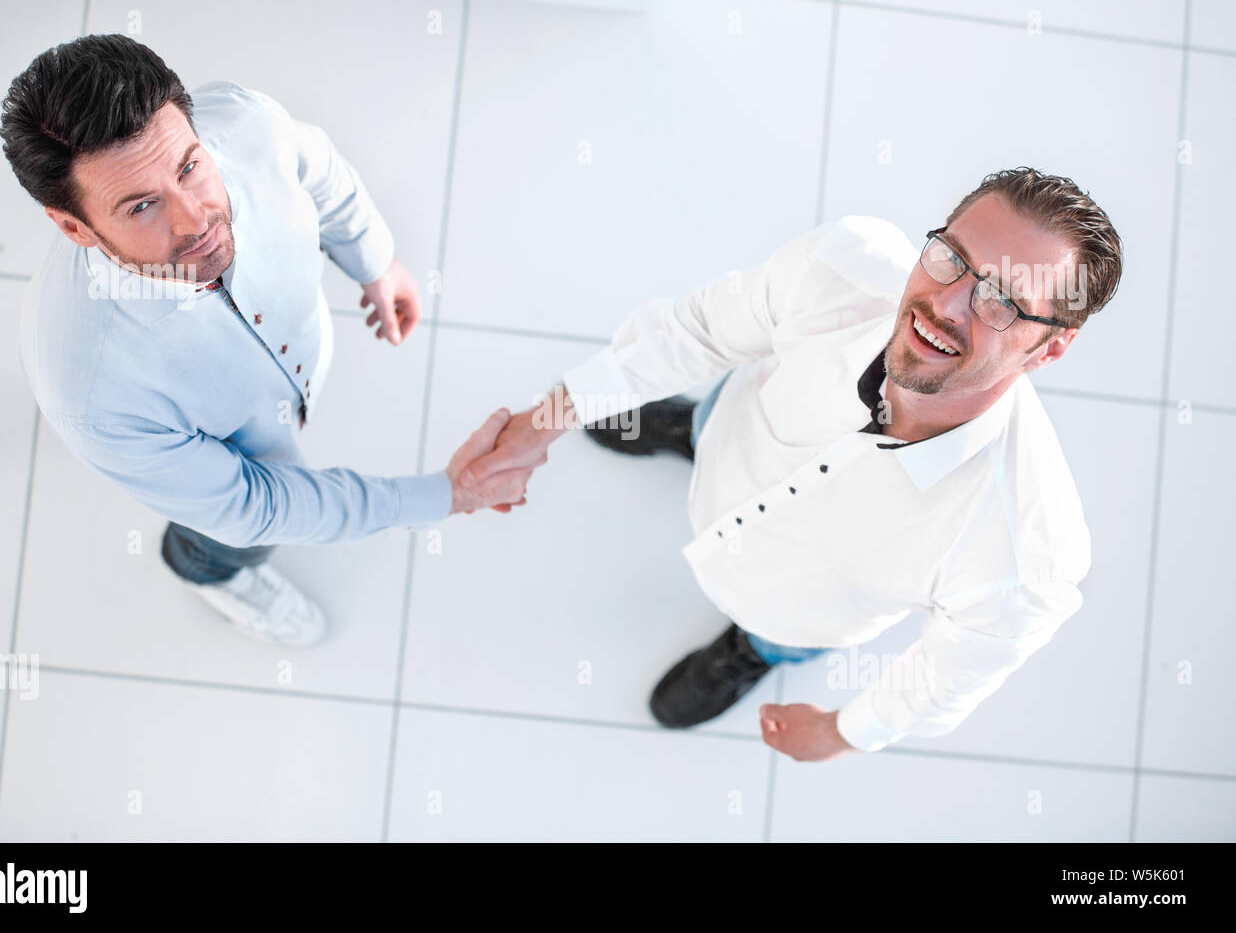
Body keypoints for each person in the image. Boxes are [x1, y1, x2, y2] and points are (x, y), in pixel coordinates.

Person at [462, 167, 1122, 762]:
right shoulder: (848, 268)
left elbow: (943, 679)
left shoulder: (1027, 552)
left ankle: (750, 651)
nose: (946, 305)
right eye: (951, 257)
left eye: (1002, 301)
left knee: (782, 636)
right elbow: (695, 333)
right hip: (734, 434)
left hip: (795, 613)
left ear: (1049, 349)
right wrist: (544, 421)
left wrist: (842, 731)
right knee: (713, 420)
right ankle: (688, 432)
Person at [2, 34, 534, 648]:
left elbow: (323, 175)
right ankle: (208, 574)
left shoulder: (246, 124)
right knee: (229, 538)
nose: (195, 220)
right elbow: (255, 504)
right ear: (74, 226)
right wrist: (445, 495)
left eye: (189, 168)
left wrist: (375, 260)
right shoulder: (92, 394)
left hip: (279, 387)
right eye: (143, 206)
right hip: (232, 465)